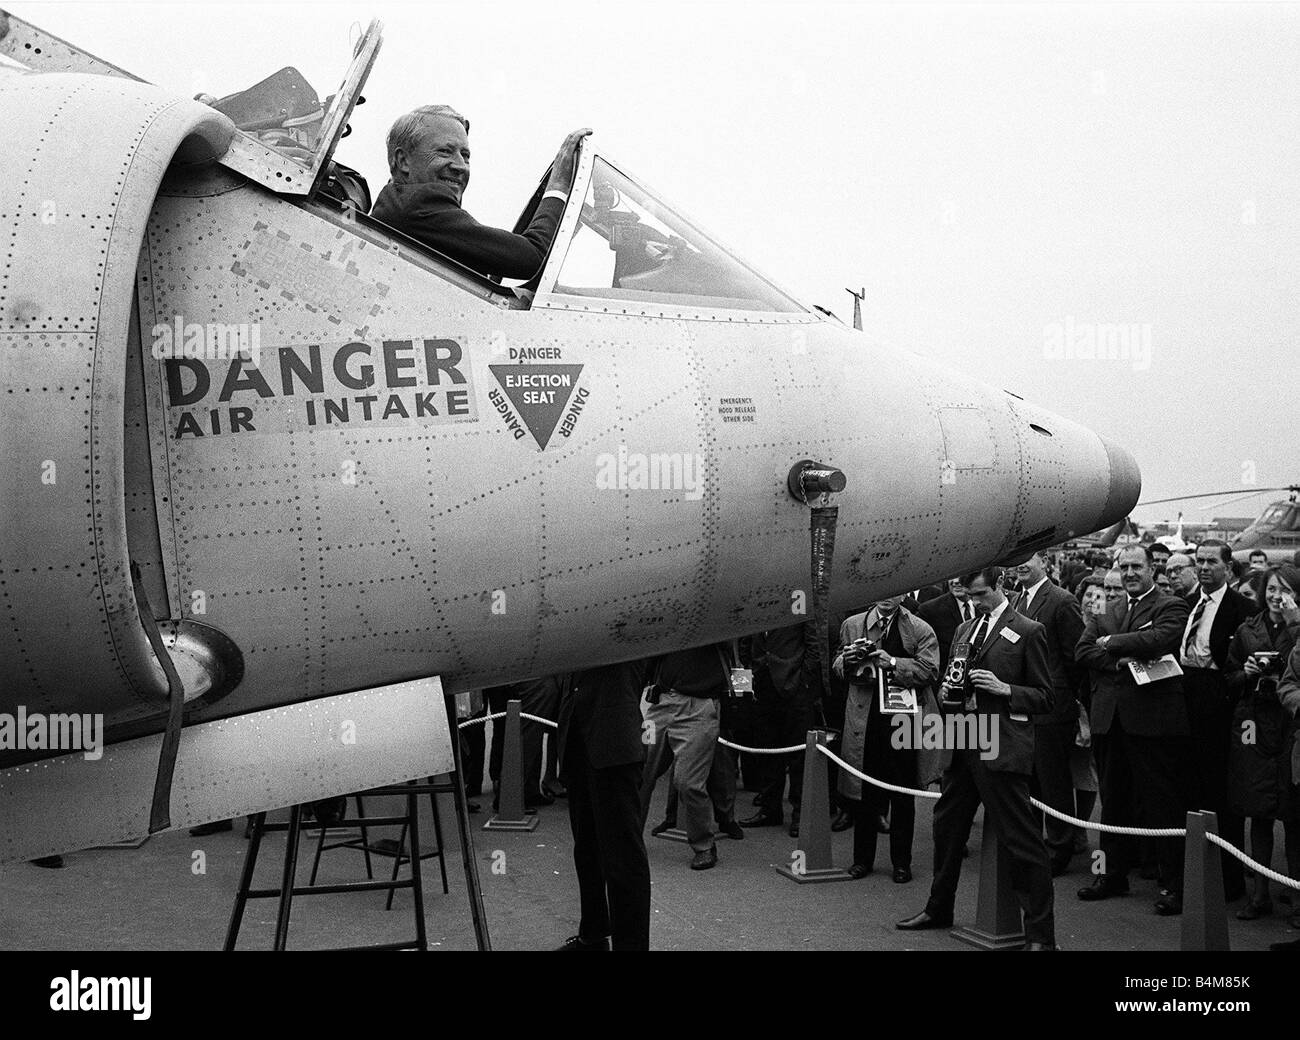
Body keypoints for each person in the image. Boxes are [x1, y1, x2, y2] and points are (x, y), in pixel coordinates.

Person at [895, 567, 1059, 949]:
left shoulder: (1029, 630)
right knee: (947, 828)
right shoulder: (966, 630)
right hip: (963, 737)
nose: (976, 603)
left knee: (1022, 841)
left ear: (1000, 585)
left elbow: (1046, 697)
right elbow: (950, 681)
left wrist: (1005, 689)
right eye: (970, 597)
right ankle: (938, 907)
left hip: (1000, 741)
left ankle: (1041, 935)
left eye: (982, 595)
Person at [1076, 544, 1192, 915]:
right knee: (1113, 803)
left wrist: (1110, 643)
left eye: (1136, 566)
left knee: (1163, 803)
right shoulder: (1109, 608)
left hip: (1153, 722)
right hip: (1111, 720)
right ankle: (1111, 875)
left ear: (1151, 569)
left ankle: (1175, 884)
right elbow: (1083, 651)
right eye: (1123, 566)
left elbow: (1160, 639)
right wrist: (1121, 662)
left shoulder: (1169, 605)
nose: (1129, 573)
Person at [371, 105, 591, 281]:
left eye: (465, 155)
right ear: (403, 161)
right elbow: (535, 259)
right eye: (445, 152)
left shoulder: (397, 206)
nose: (460, 166)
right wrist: (560, 185)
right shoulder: (418, 205)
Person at [834, 594, 941, 882]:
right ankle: (862, 860)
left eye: (895, 592)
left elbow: (931, 671)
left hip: (903, 721)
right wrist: (847, 659)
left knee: (903, 795)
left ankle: (901, 863)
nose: (886, 598)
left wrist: (893, 662)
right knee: (865, 791)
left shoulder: (919, 629)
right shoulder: (853, 625)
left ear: (905, 594)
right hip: (864, 720)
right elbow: (836, 667)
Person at [1180, 539, 1259, 901]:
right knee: (1192, 789)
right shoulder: (1186, 605)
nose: (1205, 567)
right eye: (1200, 561)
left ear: (1228, 568)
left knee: (1220, 793)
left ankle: (1229, 881)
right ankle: (1197, 871)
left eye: (1212, 561)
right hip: (1187, 697)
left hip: (1221, 700)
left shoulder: (1242, 608)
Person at [555, 662, 652, 951]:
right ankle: (594, 934)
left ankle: (631, 946)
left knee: (623, 858)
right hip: (578, 733)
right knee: (586, 848)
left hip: (614, 737)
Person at [1224, 565, 1300, 919]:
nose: (1276, 596)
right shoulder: (1247, 629)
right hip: (1253, 722)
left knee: (1294, 815)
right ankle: (1259, 893)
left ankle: (1296, 892)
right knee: (1258, 812)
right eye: (1271, 589)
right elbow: (1228, 675)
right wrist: (1247, 673)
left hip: (1289, 724)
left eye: (1283, 589)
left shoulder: (1298, 629)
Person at [1012, 552, 1087, 875]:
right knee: (1029, 782)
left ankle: (1059, 849)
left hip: (1053, 708)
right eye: (1017, 560)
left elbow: (1075, 658)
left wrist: (1069, 700)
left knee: (1054, 783)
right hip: (1023, 705)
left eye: (1029, 558)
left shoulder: (1062, 601)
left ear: (1045, 562)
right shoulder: (1016, 600)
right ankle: (1033, 846)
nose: (1022, 565)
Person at [640, 644, 734, 869]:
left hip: (699, 708)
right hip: (662, 704)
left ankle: (704, 845)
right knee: (640, 772)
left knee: (688, 782)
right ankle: (628, 838)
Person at [739, 623, 823, 836]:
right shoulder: (756, 605)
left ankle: (799, 815)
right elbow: (745, 645)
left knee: (798, 757)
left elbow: (815, 646)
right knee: (767, 752)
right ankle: (769, 809)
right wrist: (749, 679)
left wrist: (802, 682)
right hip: (763, 687)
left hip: (794, 689)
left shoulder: (800, 601)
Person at [918, 577, 975, 677]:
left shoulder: (985, 605)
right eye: (952, 576)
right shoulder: (930, 611)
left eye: (962, 575)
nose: (955, 581)